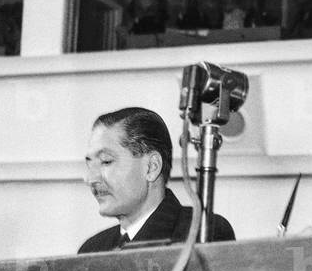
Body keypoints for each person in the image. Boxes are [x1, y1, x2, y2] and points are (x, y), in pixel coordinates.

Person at [79, 107, 235, 253]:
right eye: (89, 164)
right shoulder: (91, 249)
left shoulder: (203, 233)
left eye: (106, 161)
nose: (90, 179)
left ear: (151, 167)